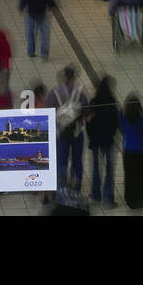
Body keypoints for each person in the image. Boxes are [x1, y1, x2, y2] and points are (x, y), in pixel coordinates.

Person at [47, 65, 89, 193]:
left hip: (61, 133)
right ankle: (76, 188)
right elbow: (86, 113)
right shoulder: (80, 93)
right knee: (77, 162)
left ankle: (61, 188)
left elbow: (49, 112)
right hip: (77, 133)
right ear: (73, 77)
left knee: (61, 161)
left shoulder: (54, 93)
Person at [86, 75, 119, 207]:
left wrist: (90, 135)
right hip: (108, 140)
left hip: (95, 141)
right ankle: (108, 199)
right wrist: (112, 134)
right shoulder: (112, 102)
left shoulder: (94, 102)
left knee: (95, 168)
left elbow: (88, 122)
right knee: (110, 170)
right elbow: (116, 122)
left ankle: (95, 195)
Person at [120, 93, 143, 209]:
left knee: (129, 175)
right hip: (139, 151)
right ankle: (139, 198)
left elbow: (120, 125)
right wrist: (140, 137)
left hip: (127, 151)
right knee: (139, 176)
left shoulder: (124, 117)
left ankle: (129, 199)